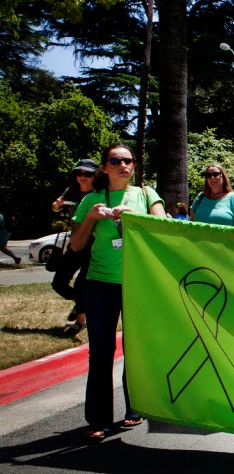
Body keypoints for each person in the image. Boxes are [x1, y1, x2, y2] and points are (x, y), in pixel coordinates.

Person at [69, 143, 166, 442]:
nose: (123, 165)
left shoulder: (146, 195)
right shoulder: (92, 200)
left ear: (134, 165)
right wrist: (91, 219)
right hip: (100, 283)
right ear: (104, 167)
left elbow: (164, 228)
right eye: (115, 161)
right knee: (100, 351)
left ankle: (135, 407)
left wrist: (133, 220)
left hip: (138, 282)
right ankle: (99, 419)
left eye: (128, 161)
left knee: (135, 349)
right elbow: (75, 245)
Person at [50, 159, 98, 331]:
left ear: (96, 175)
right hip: (76, 244)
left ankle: (80, 321)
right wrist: (58, 204)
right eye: (79, 173)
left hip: (94, 247)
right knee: (58, 283)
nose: (82, 177)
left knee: (81, 285)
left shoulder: (99, 193)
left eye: (87, 174)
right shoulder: (72, 191)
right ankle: (80, 304)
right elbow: (55, 207)